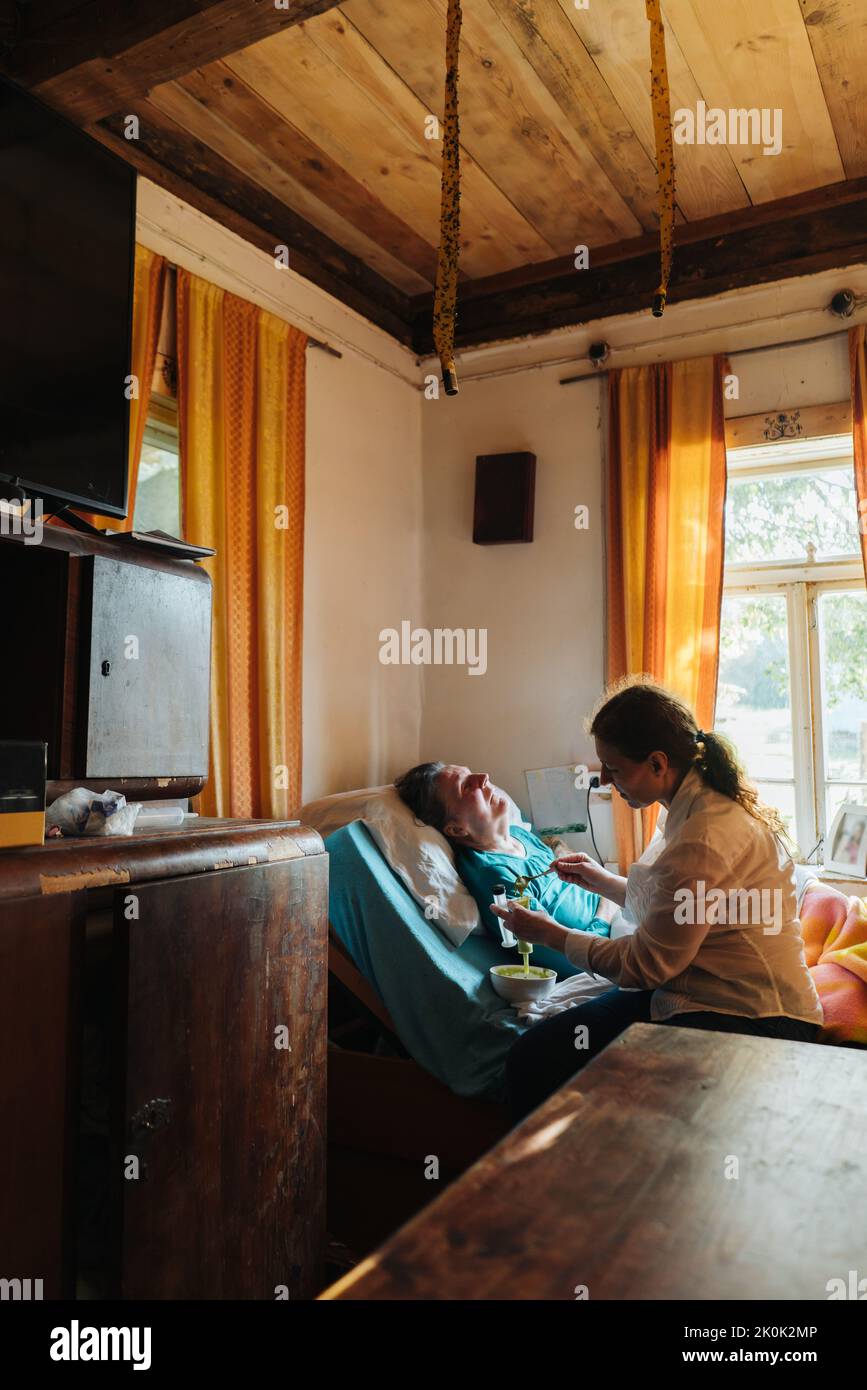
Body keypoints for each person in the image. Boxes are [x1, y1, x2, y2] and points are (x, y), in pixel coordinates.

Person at [492, 678, 824, 1122]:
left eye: (613, 768)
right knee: (537, 1053)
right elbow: (682, 909)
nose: (605, 779)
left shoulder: (704, 836)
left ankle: (561, 1181)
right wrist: (602, 881)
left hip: (755, 1016)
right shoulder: (694, 805)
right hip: (700, 990)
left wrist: (549, 934)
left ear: (657, 763)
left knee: (551, 1068)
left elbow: (649, 964)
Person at [394, 763, 615, 972]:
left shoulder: (519, 835)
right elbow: (572, 963)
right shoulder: (496, 877)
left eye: (472, 773)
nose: (483, 777)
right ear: (457, 829)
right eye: (465, 786)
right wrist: (606, 910)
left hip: (615, 922)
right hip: (603, 948)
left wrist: (608, 888)